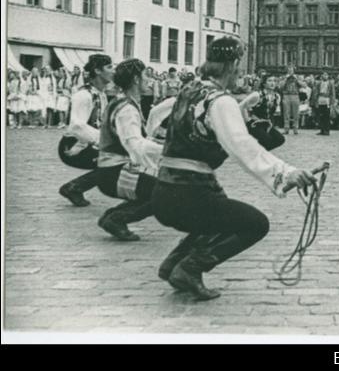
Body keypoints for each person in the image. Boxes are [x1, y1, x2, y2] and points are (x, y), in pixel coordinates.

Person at [151, 37, 317, 301]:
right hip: (190, 194)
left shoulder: (189, 90)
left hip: (162, 193)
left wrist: (238, 109)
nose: (240, 71)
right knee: (254, 223)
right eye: (238, 64)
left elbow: (167, 117)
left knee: (220, 213)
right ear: (232, 64)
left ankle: (174, 263)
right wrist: (287, 174)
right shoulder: (220, 100)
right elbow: (240, 145)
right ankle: (190, 267)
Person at [95, 59, 164, 241]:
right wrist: (167, 150)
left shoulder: (124, 102)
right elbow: (134, 144)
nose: (148, 79)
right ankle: (116, 219)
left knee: (159, 188)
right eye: (145, 75)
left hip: (111, 171)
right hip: (114, 173)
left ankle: (112, 217)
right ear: (135, 79)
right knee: (166, 193)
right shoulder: (127, 109)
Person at [57, 54, 115, 207]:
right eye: (109, 67)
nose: (113, 70)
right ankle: (73, 188)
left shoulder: (101, 94)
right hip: (72, 147)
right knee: (115, 162)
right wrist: (103, 142)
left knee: (118, 160)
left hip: (89, 144)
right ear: (97, 70)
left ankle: (74, 187)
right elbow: (76, 126)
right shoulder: (84, 95)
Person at [313, 71, 337, 135]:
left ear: (328, 76)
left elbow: (333, 93)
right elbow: (316, 92)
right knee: (321, 115)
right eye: (324, 75)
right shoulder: (319, 83)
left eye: (326, 75)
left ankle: (327, 130)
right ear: (322, 76)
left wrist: (332, 102)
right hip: (320, 99)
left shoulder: (330, 83)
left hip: (327, 99)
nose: (325, 76)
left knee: (327, 116)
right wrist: (316, 100)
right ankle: (322, 130)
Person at [281, 64, 301, 135]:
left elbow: (302, 85)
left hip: (295, 95)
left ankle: (296, 128)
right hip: (286, 95)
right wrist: (286, 79)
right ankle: (286, 128)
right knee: (286, 113)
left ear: (294, 70)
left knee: (296, 113)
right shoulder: (283, 77)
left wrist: (297, 79)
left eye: (291, 69)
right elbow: (281, 86)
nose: (290, 71)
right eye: (289, 69)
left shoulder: (297, 77)